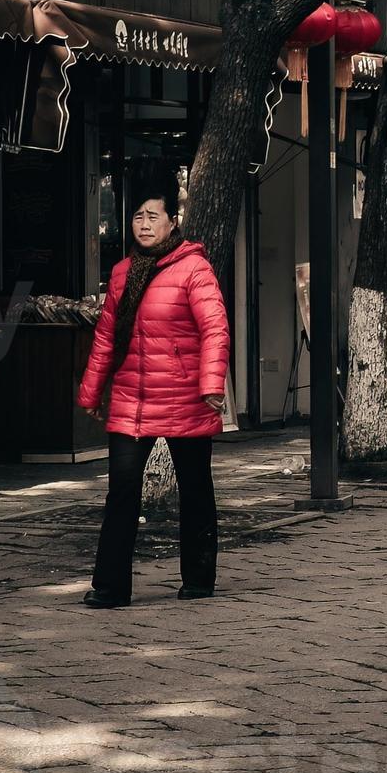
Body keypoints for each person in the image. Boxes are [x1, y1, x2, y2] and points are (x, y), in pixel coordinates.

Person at [78, 184, 231, 606]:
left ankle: (198, 579)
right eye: (137, 217)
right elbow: (106, 336)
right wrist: (91, 392)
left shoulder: (194, 268)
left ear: (172, 222)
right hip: (132, 398)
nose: (144, 225)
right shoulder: (122, 272)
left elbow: (215, 329)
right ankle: (110, 587)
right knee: (121, 492)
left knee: (195, 489)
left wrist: (211, 385)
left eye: (152, 216)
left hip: (185, 397)